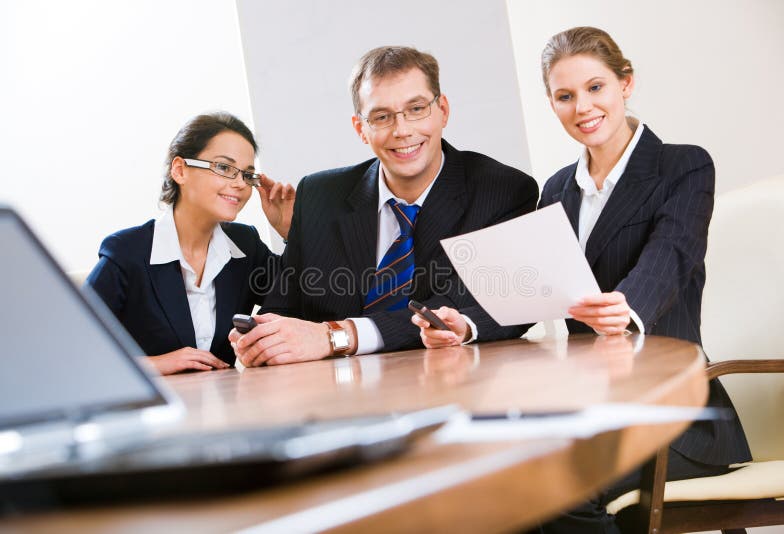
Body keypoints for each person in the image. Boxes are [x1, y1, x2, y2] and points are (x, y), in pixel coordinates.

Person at [412, 27, 751, 533]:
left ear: (625, 83)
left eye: (596, 87)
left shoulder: (683, 165)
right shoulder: (556, 190)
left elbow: (672, 256)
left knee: (554, 487)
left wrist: (627, 306)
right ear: (552, 104)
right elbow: (531, 288)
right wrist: (465, 325)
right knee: (499, 476)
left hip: (673, 413)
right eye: (565, 96)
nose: (583, 107)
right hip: (592, 409)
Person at [229, 45, 539, 366]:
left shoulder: (502, 192)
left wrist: (336, 335)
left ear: (443, 110)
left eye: (416, 108)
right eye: (381, 117)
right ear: (360, 128)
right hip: (337, 396)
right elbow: (285, 310)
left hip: (451, 384)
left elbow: (460, 308)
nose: (402, 130)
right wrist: (261, 340)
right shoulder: (318, 195)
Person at [86, 112, 294, 375]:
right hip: (154, 409)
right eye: (224, 168)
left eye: (247, 175)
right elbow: (69, 347)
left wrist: (290, 232)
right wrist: (155, 364)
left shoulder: (244, 246)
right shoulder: (127, 253)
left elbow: (305, 304)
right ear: (180, 170)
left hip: (228, 405)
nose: (240, 184)